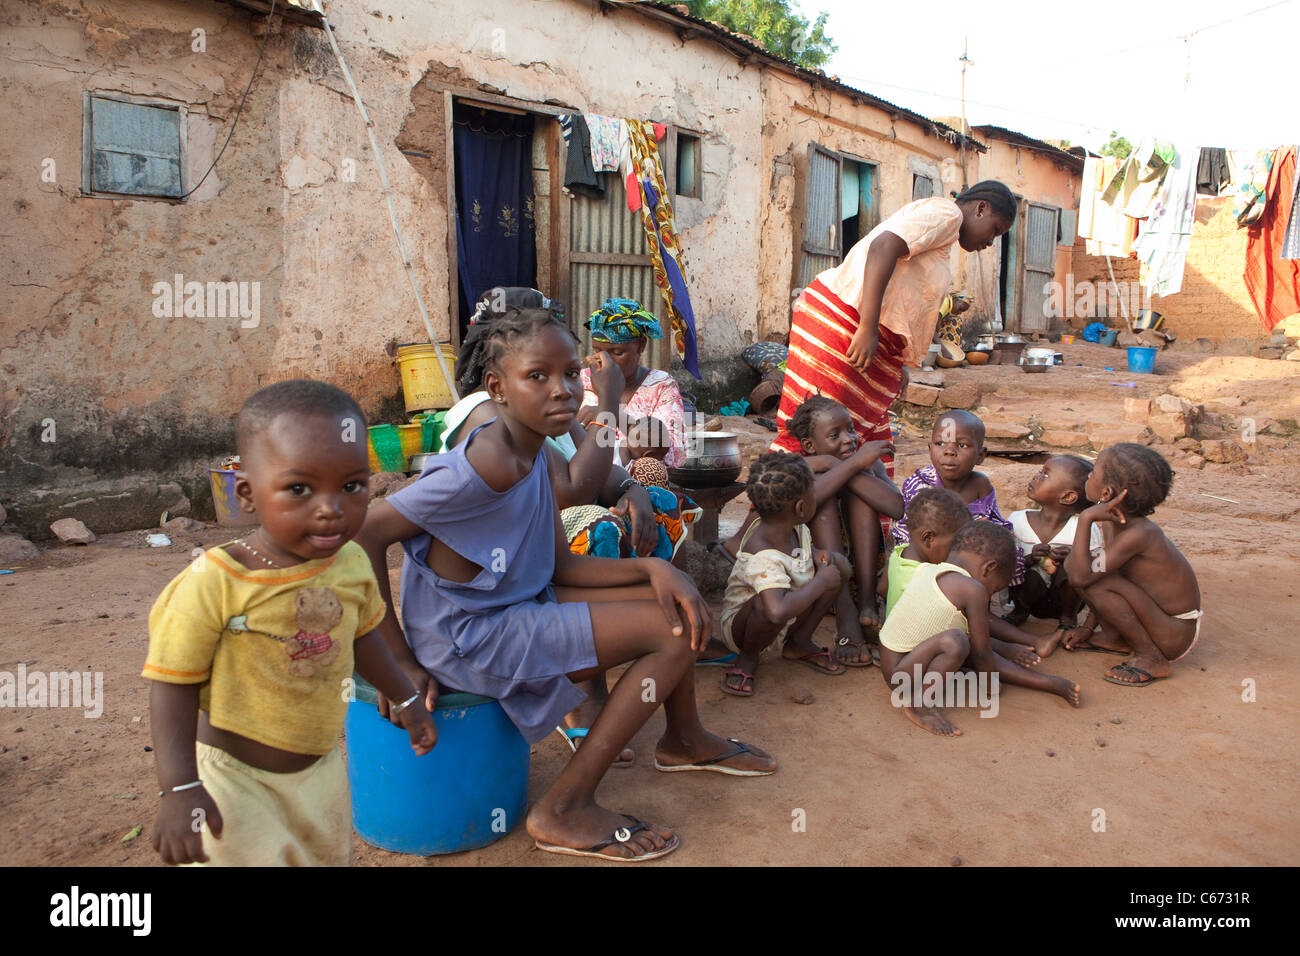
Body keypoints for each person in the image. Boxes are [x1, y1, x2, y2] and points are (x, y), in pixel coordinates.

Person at [356, 307, 776, 862]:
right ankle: (564, 807)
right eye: (538, 376)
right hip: (469, 634)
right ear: (496, 387)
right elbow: (363, 535)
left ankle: (684, 739)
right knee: (672, 633)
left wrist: (655, 568)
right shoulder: (486, 461)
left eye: (571, 374)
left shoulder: (534, 454)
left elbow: (563, 569)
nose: (561, 390)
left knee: (670, 597)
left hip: (512, 605)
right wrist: (398, 661)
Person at [144, 381, 437, 865]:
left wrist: (407, 699)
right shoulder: (213, 582)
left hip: (320, 772)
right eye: (299, 488)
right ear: (248, 494)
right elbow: (171, 684)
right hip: (234, 784)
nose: (330, 508)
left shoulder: (350, 564)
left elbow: (362, 638)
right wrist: (179, 787)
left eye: (352, 486)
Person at [444, 288, 697, 767]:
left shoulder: (543, 401)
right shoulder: (483, 413)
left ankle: (684, 736)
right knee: (599, 524)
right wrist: (609, 403)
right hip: (513, 589)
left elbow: (608, 472)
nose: (561, 378)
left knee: (661, 505)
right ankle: (584, 691)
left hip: (544, 566)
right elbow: (574, 490)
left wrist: (633, 492)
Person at [770, 181, 1017, 481]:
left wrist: (897, 360)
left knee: (865, 441)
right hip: (845, 322)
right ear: (981, 208)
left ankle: (853, 524)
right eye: (995, 231)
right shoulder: (947, 214)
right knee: (815, 432)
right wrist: (867, 328)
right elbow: (884, 246)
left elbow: (903, 298)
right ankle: (771, 515)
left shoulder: (944, 233)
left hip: (864, 330)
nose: (990, 243)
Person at [879, 522, 1082, 738]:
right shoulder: (972, 589)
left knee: (963, 640)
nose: (991, 592)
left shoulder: (930, 568)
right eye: (995, 588)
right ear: (988, 568)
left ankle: (1050, 683)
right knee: (957, 642)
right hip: (901, 675)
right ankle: (920, 706)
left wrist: (1000, 655)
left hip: (901, 662)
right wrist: (988, 685)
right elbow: (982, 652)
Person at [1062, 443, 1202, 686]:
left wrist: (1085, 519)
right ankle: (1115, 638)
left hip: (1174, 632)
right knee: (1088, 568)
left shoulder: (1140, 534)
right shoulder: (1113, 522)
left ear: (1106, 494)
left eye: (1093, 472)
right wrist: (1088, 628)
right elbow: (1094, 571)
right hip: (1156, 619)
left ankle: (1152, 657)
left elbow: (1081, 578)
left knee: (1090, 574)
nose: (1088, 476)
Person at [717, 452, 850, 697]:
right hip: (745, 629)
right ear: (800, 507)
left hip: (786, 609)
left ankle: (799, 641)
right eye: (813, 491)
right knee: (767, 603)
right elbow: (776, 611)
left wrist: (818, 555)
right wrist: (821, 582)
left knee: (838, 564)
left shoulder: (792, 526)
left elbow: (800, 556)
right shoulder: (764, 554)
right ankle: (747, 659)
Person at [784, 395, 902, 664]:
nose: (848, 439)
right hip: (818, 579)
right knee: (820, 501)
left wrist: (852, 468)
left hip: (865, 572)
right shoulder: (799, 466)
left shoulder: (868, 462)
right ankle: (848, 616)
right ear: (810, 445)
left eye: (850, 429)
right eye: (834, 435)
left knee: (861, 492)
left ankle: (868, 602)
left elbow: (897, 507)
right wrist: (843, 466)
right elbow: (807, 504)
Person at [1007, 455, 1105, 656]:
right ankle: (1020, 611)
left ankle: (1068, 619)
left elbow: (1098, 568)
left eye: (1045, 474)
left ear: (1067, 497)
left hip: (1065, 600)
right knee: (1030, 574)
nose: (1036, 476)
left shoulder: (1084, 528)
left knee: (1073, 568)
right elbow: (1007, 564)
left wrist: (1075, 557)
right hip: (1029, 594)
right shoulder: (1017, 520)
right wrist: (1030, 559)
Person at [578, 297, 687, 469]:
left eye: (616, 352)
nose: (604, 360)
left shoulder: (660, 386)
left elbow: (674, 454)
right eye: (597, 350)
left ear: (641, 346)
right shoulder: (580, 381)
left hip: (640, 487)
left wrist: (609, 413)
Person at [881, 487, 971, 618]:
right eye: (954, 545)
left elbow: (882, 589)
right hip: (916, 637)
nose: (958, 551)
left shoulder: (898, 553)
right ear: (928, 538)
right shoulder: (928, 577)